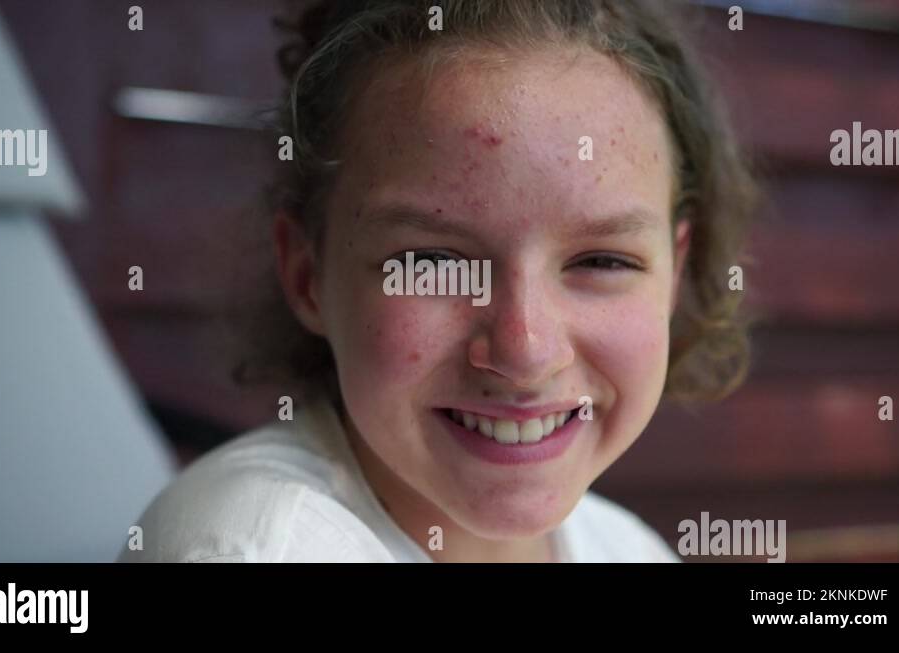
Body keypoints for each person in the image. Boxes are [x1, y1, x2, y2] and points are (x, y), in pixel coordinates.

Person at [121, 0, 756, 563]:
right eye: (432, 262)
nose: (527, 352)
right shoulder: (251, 548)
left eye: (602, 261)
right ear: (308, 274)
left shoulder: (625, 548)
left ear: (673, 272)